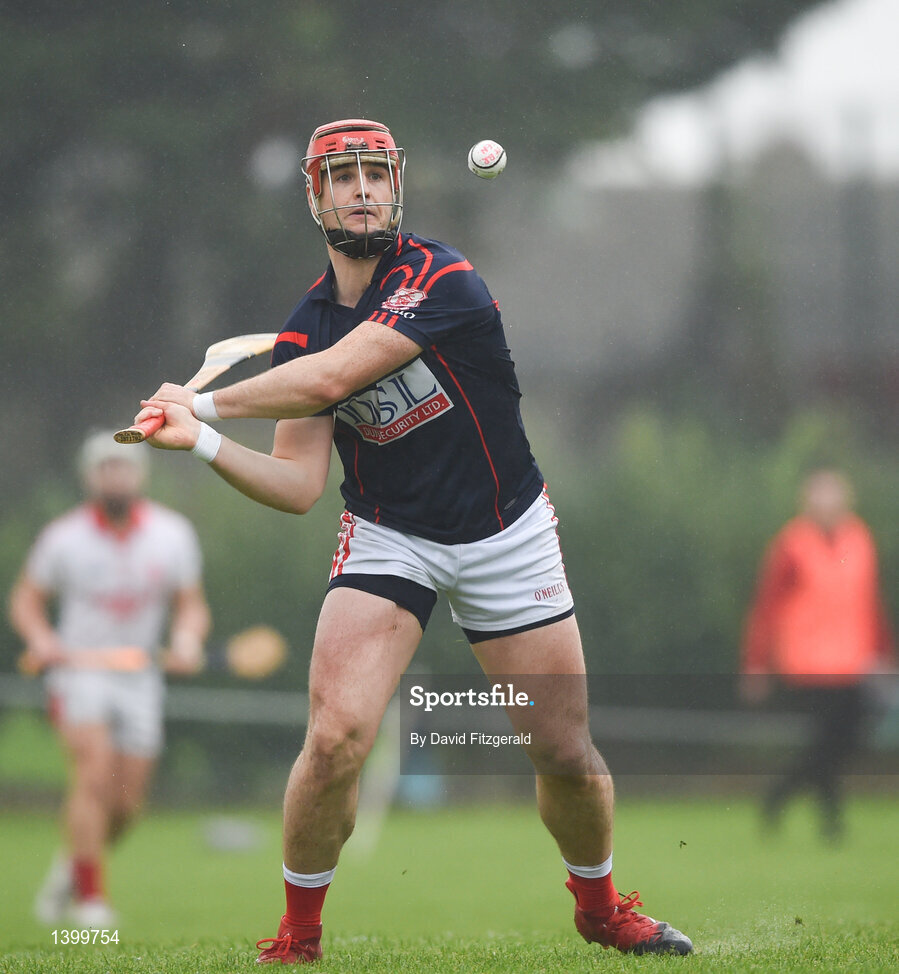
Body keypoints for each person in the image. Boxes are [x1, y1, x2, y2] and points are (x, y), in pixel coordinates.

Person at [131, 118, 692, 962]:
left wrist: (201, 404)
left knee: (563, 753)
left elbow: (328, 379)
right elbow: (297, 486)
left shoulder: (441, 277)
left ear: (398, 188)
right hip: (390, 538)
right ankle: (298, 938)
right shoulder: (303, 325)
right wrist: (202, 446)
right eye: (343, 175)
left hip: (507, 533)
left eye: (376, 174)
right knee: (332, 742)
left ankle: (600, 907)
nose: (362, 190)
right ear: (315, 196)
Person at [8, 431, 210, 925]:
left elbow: (191, 606)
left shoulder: (173, 534)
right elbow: (25, 600)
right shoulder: (63, 537)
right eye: (105, 469)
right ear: (90, 477)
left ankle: (74, 865)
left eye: (122, 467)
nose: (114, 476)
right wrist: (40, 639)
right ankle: (91, 901)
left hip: (140, 677)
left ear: (139, 475)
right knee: (93, 775)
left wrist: (185, 642)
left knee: (126, 805)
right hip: (79, 673)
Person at [741, 467, 895, 839]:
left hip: (853, 661)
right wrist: (756, 662)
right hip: (808, 663)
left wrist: (884, 652)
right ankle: (831, 823)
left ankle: (780, 797)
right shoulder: (792, 545)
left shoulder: (860, 538)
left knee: (839, 743)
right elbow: (767, 606)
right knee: (828, 741)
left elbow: (870, 603)